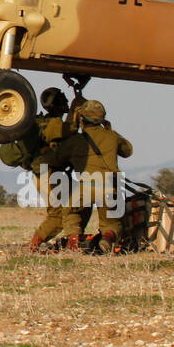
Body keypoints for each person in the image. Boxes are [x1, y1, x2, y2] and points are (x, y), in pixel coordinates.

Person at [63, 100, 133, 254]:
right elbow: (128, 151)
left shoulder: (76, 140)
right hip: (109, 186)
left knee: (72, 213)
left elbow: (58, 158)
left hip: (85, 187)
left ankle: (73, 241)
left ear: (82, 118)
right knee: (113, 223)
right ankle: (107, 238)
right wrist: (110, 131)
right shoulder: (112, 136)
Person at [25, 87, 81, 252]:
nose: (66, 102)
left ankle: (74, 239)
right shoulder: (52, 123)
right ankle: (33, 246)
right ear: (55, 104)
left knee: (77, 203)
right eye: (62, 100)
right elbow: (68, 130)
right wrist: (77, 105)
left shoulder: (49, 122)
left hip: (50, 173)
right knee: (57, 214)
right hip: (47, 173)